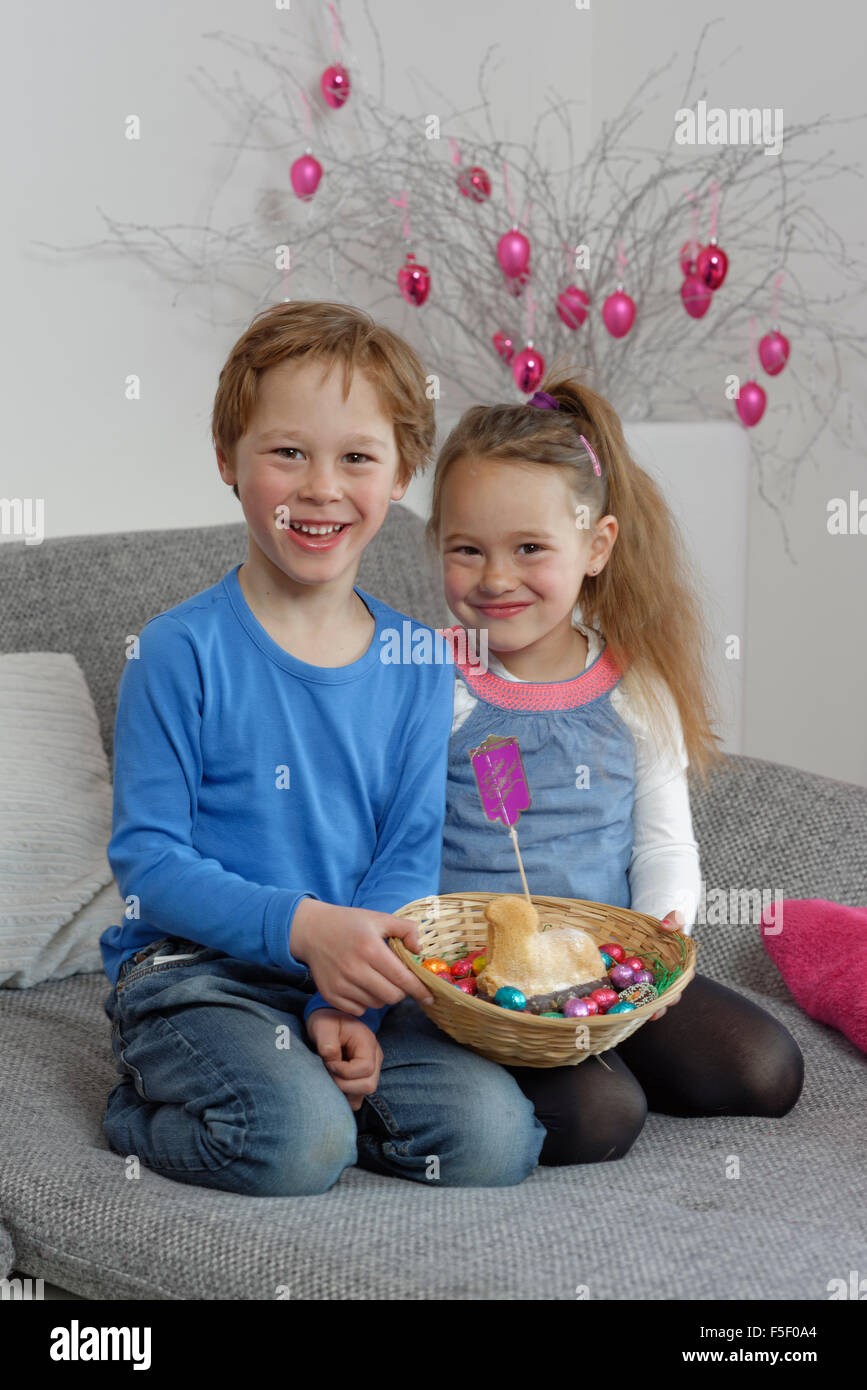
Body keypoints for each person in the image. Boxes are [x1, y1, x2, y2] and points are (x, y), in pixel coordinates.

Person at [100, 299, 548, 1195]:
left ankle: (312, 1103)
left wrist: (342, 1004)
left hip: (351, 978)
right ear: (229, 460)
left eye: (356, 457)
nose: (320, 487)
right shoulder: (179, 650)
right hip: (199, 976)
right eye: (287, 452)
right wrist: (303, 934)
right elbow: (148, 863)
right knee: (297, 1146)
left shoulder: (422, 662)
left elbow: (404, 857)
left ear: (402, 472)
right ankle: (145, 1112)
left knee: (497, 1138)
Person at [426, 369, 805, 1165]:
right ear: (438, 547)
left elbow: (663, 845)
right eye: (467, 550)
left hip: (607, 968)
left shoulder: (635, 687)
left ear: (594, 546)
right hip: (479, 985)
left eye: (529, 548)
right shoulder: (432, 681)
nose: (495, 578)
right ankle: (512, 1082)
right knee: (601, 1120)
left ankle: (606, 1048)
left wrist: (661, 938)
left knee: (765, 1071)